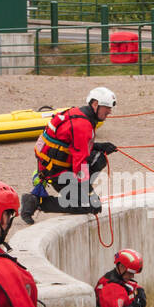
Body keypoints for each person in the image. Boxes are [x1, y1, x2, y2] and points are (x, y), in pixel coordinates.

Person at [22, 86, 118, 224]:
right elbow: (81, 165)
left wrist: (100, 146)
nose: (110, 111)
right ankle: (38, 202)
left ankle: (78, 191)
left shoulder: (78, 113)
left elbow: (73, 145)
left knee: (100, 156)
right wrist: (91, 195)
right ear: (95, 104)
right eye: (107, 107)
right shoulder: (83, 126)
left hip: (50, 166)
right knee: (85, 205)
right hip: (56, 172)